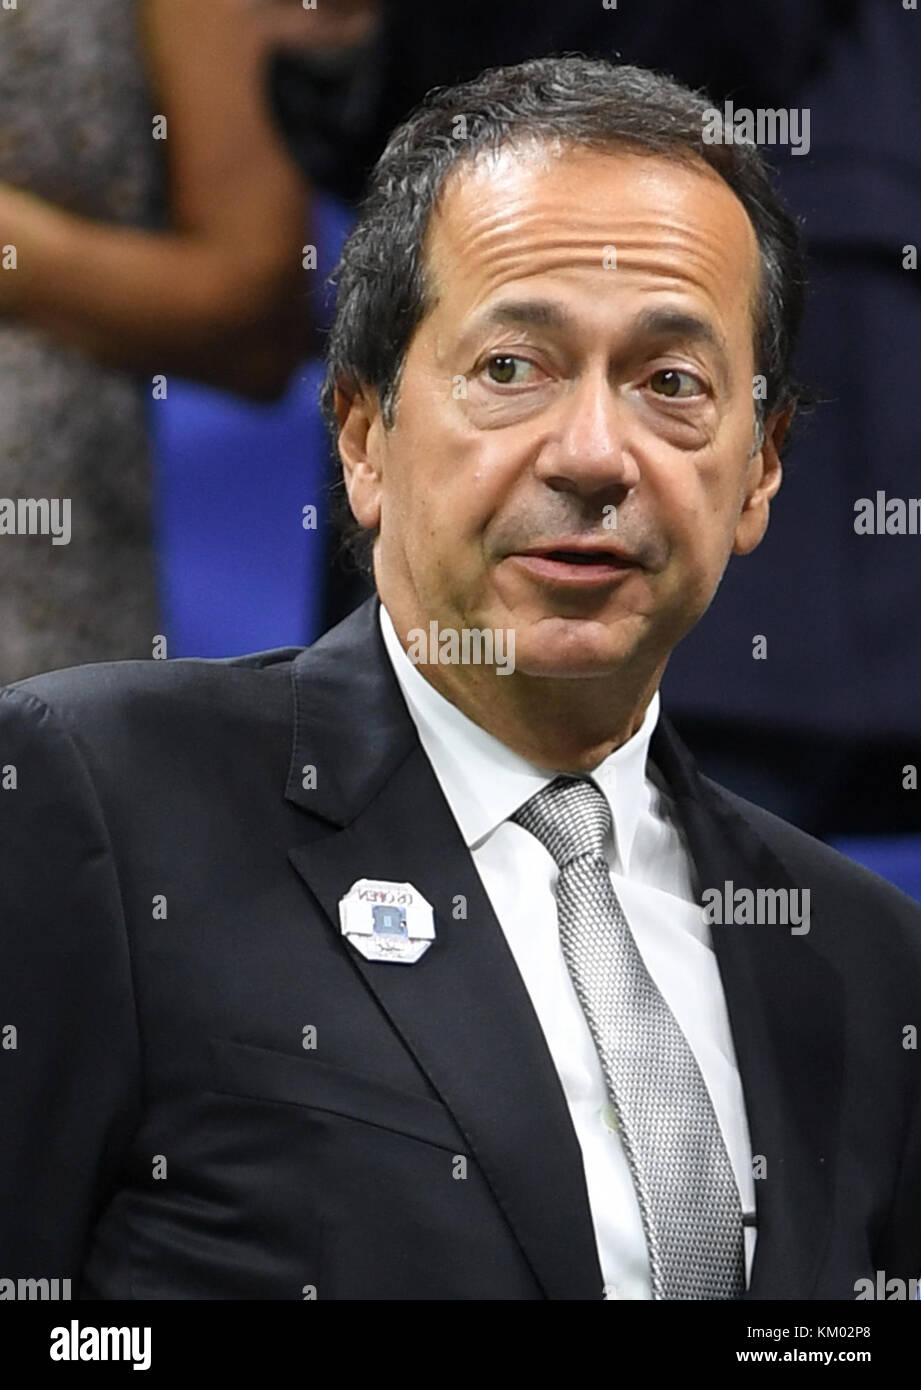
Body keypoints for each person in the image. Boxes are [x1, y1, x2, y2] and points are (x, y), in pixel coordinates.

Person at [1, 56, 920, 1301]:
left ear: (759, 472)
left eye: (672, 384)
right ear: (363, 436)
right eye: (512, 368)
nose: (596, 453)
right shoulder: (99, 798)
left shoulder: (864, 959)